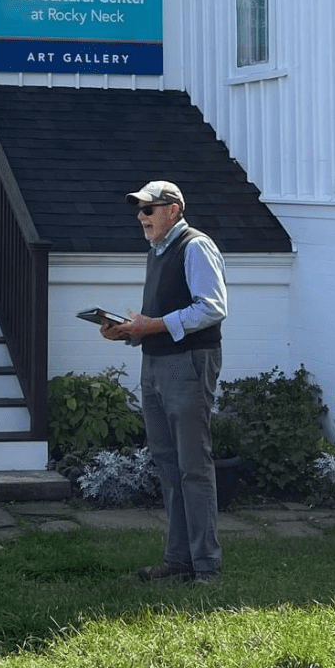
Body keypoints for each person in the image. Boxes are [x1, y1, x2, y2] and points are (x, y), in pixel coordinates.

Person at [100, 180, 227, 586]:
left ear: (172, 209)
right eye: (139, 210)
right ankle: (178, 560)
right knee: (169, 466)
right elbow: (161, 317)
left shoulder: (195, 245)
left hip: (187, 365)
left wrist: (151, 325)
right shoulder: (158, 251)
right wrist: (128, 332)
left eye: (148, 209)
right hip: (155, 365)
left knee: (193, 467)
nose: (141, 217)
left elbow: (213, 308)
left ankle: (206, 566)